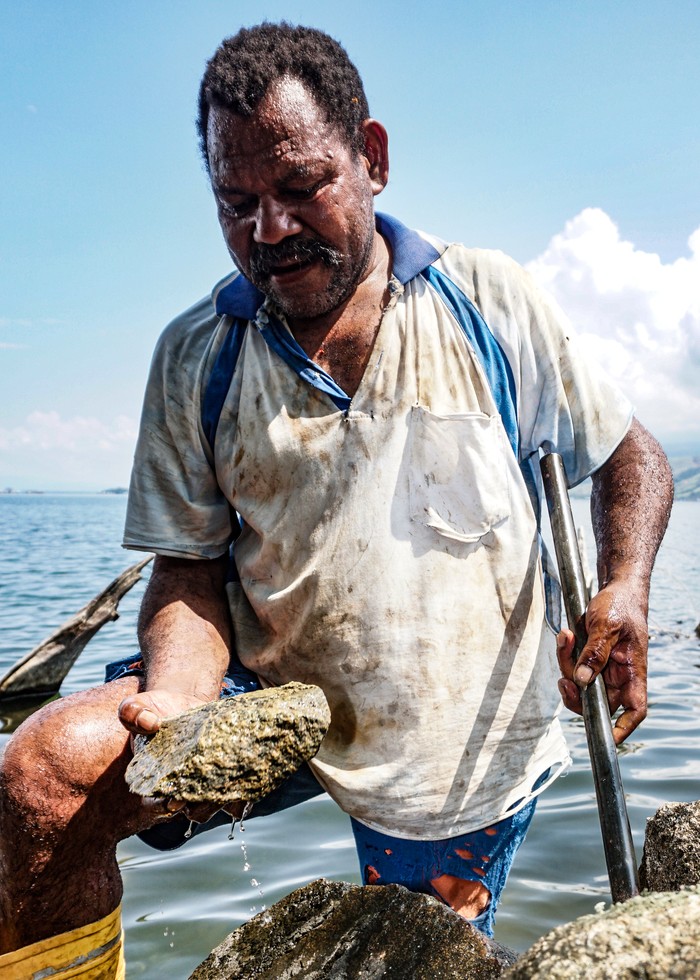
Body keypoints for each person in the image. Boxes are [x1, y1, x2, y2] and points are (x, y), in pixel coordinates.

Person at [0, 22, 673, 976]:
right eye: (238, 203)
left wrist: (626, 590)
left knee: (415, 954)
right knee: (43, 779)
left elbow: (629, 452)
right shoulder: (200, 354)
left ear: (373, 159)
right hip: (270, 692)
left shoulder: (486, 300)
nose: (269, 230)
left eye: (300, 187)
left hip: (445, 734)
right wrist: (183, 698)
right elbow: (189, 567)